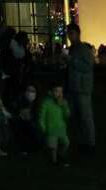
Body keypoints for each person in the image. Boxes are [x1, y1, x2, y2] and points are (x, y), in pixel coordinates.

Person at [65, 22, 96, 153]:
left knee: (85, 117)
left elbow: (88, 66)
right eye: (68, 34)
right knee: (78, 117)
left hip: (82, 88)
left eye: (71, 33)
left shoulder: (82, 49)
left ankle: (89, 143)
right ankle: (83, 142)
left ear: (77, 34)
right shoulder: (74, 49)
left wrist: (71, 60)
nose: (69, 36)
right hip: (75, 87)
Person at [38, 84, 71, 166]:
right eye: (57, 91)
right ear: (51, 92)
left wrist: (64, 106)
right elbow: (41, 117)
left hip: (61, 129)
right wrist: (44, 128)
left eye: (61, 91)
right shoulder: (46, 102)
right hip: (51, 129)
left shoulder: (64, 102)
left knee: (66, 143)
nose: (59, 94)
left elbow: (67, 115)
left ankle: (61, 155)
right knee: (53, 146)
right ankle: (54, 161)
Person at [10, 84, 42, 154]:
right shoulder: (19, 99)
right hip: (20, 122)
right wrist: (20, 114)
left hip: (32, 122)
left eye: (33, 91)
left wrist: (31, 116)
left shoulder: (37, 102)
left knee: (34, 128)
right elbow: (13, 111)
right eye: (28, 90)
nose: (30, 93)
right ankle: (23, 148)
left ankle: (34, 146)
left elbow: (38, 115)